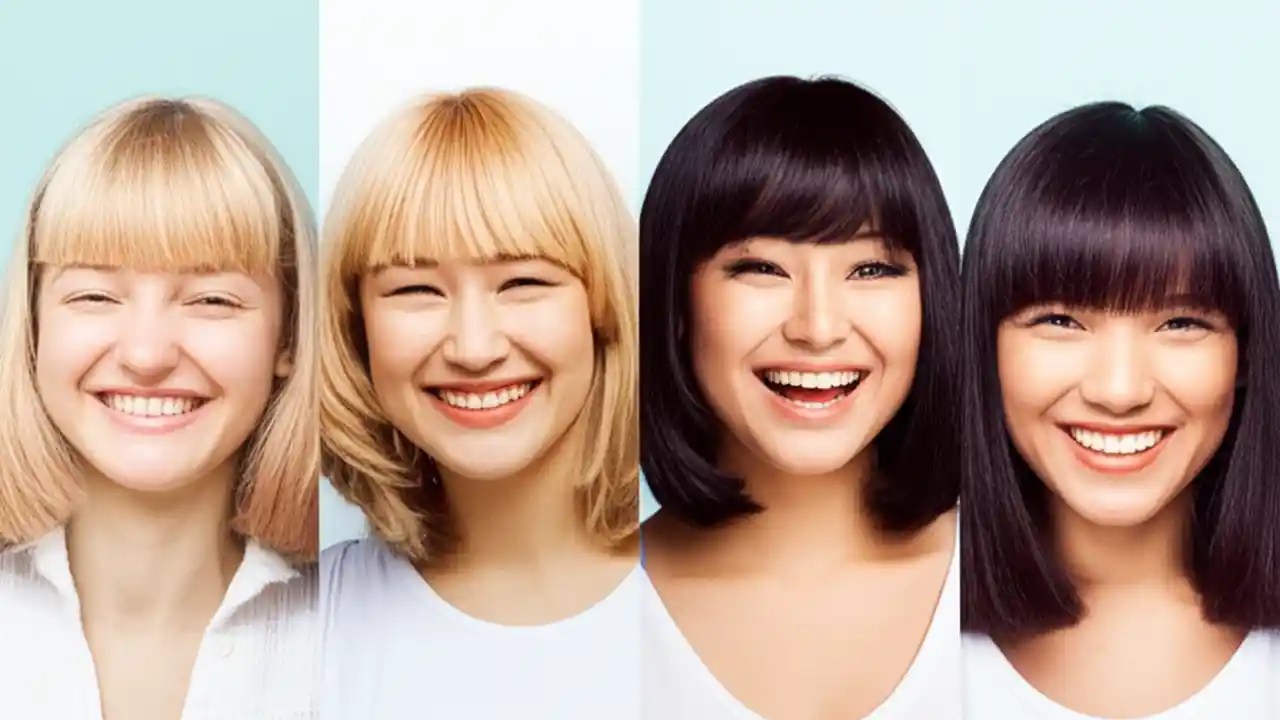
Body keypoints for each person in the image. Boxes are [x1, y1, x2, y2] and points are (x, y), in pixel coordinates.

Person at [639, 75, 962, 719]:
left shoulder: (1023, 582)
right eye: (761, 269)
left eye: (871, 269)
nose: (818, 327)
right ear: (677, 298)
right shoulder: (583, 616)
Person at [319, 87, 640, 718]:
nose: (473, 347)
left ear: (601, 306)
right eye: (415, 289)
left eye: (523, 282)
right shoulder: (294, 632)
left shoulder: (729, 609)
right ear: (357, 329)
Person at [0, 96, 319, 719]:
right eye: (94, 294)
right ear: (35, 331)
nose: (147, 354)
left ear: (287, 337)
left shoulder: (366, 647)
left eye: (212, 300)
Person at [961, 102, 1280, 718]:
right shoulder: (904, 631)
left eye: (1181, 322)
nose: (1119, 390)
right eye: (1060, 320)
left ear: (1245, 357)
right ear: (984, 346)